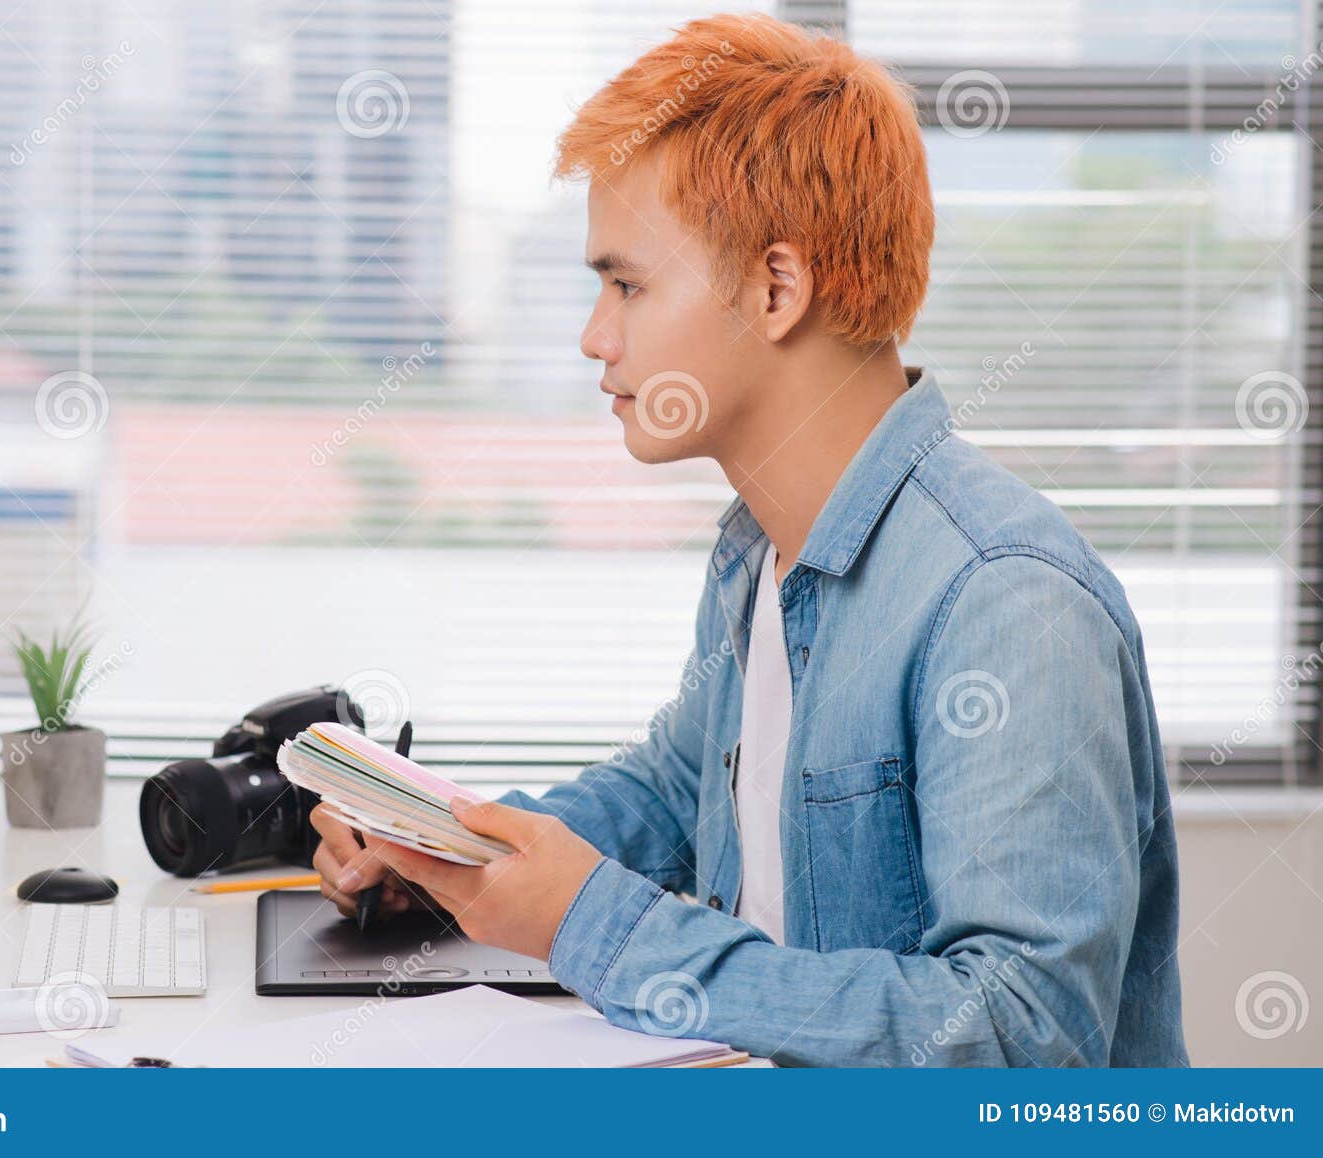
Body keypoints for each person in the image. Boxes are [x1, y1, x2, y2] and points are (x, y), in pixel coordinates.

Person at [311, 13, 1187, 1067]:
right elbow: (677, 794)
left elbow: (1018, 1040)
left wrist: (592, 923)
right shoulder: (758, 554)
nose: (594, 336)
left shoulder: (1004, 599)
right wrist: (454, 850)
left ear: (777, 289)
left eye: (627, 284)